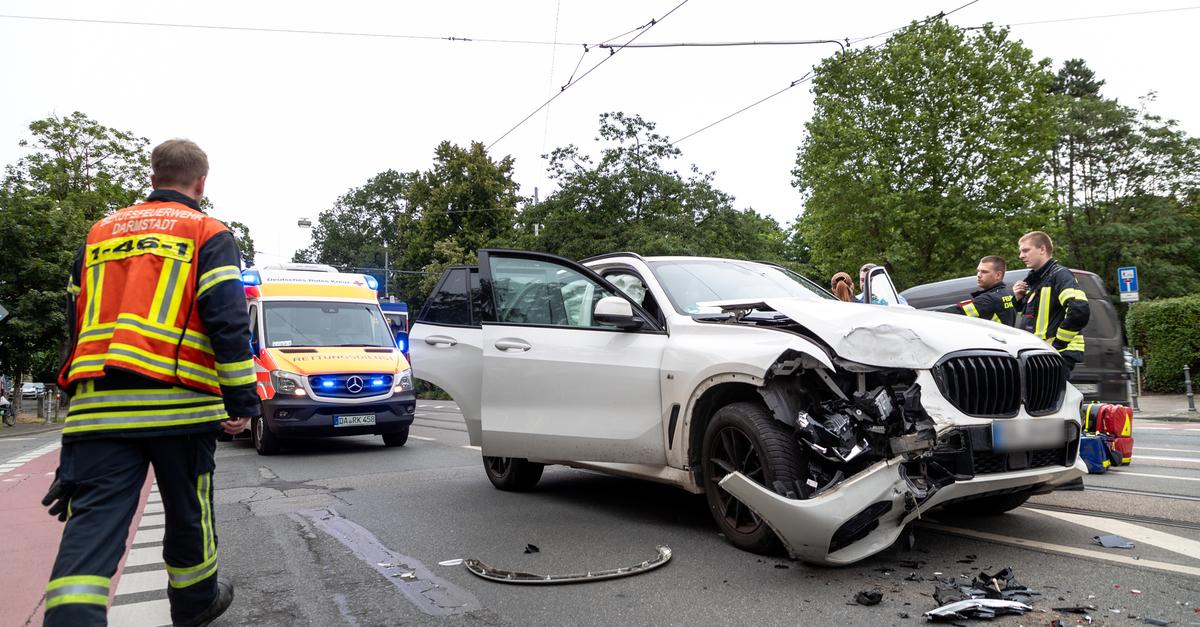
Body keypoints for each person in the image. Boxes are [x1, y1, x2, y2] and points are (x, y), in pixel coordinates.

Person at [42, 139, 261, 626]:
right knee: (187, 514)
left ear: (153, 176)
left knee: (92, 525)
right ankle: (194, 604)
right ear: (200, 182)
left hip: (99, 409)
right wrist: (241, 400)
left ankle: (70, 617)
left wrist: (72, 401)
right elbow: (227, 322)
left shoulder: (98, 233)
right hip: (180, 408)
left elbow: (74, 322)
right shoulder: (207, 232)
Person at [1012, 231, 1090, 371]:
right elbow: (1034, 318)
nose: (1021, 256)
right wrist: (1019, 300)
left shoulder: (1060, 275)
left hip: (1054, 356)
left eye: (1025, 250)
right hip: (1040, 355)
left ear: (1042, 249)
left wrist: (1057, 345)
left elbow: (1079, 310)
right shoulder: (1038, 279)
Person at [949, 256, 1016, 325]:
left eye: (984, 272)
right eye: (978, 271)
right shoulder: (1005, 294)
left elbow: (957, 312)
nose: (979, 275)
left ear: (998, 275)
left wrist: (937, 313)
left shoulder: (988, 300)